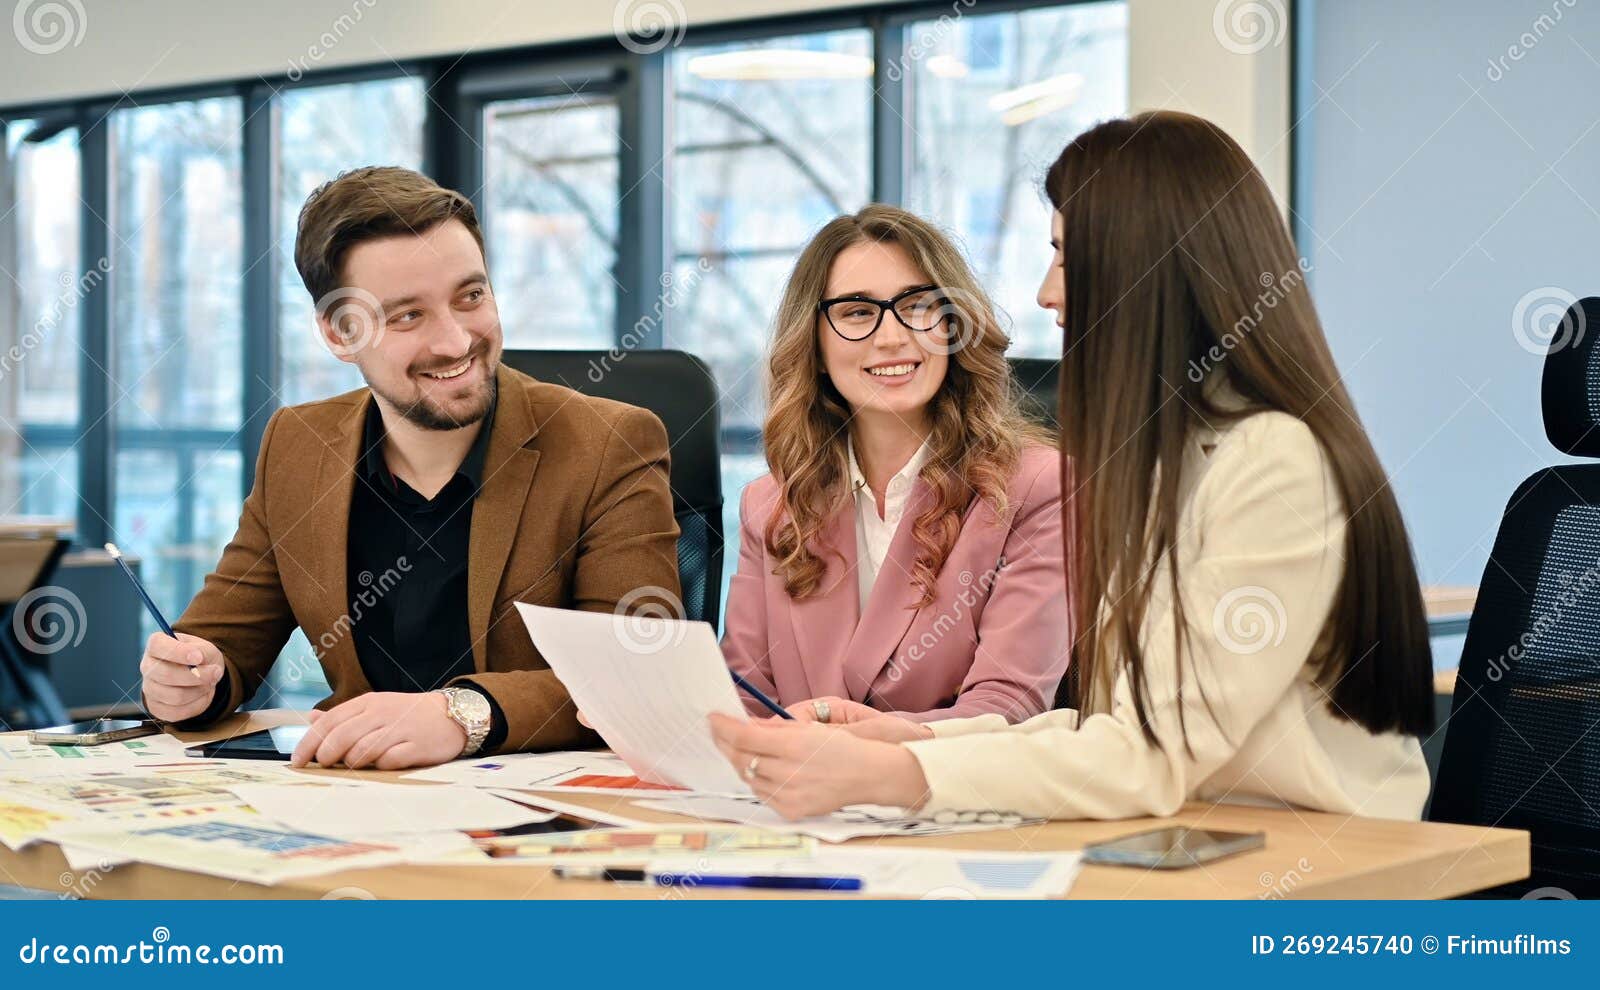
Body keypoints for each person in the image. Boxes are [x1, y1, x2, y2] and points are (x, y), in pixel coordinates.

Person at [709, 111, 1435, 822]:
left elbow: (1152, 755)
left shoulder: (1274, 463)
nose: (1046, 292)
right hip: (1201, 832)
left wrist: (898, 771)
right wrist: (913, 738)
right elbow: (1115, 727)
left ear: (1148, 271)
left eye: (1066, 256)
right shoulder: (1165, 462)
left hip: (1328, 859)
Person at [136, 166, 680, 770]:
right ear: (339, 334)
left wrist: (460, 714)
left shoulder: (608, 443)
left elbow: (635, 673)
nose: (454, 342)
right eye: (407, 316)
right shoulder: (299, 443)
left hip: (535, 818)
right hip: (356, 798)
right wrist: (190, 681)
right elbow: (222, 644)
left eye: (470, 297)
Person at [720, 204, 1069, 725]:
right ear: (813, 344)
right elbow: (744, 699)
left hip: (952, 798)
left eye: (919, 306)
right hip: (795, 798)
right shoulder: (770, 505)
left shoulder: (1038, 488)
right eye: (857, 312)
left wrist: (845, 741)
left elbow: (1006, 706)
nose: (891, 337)